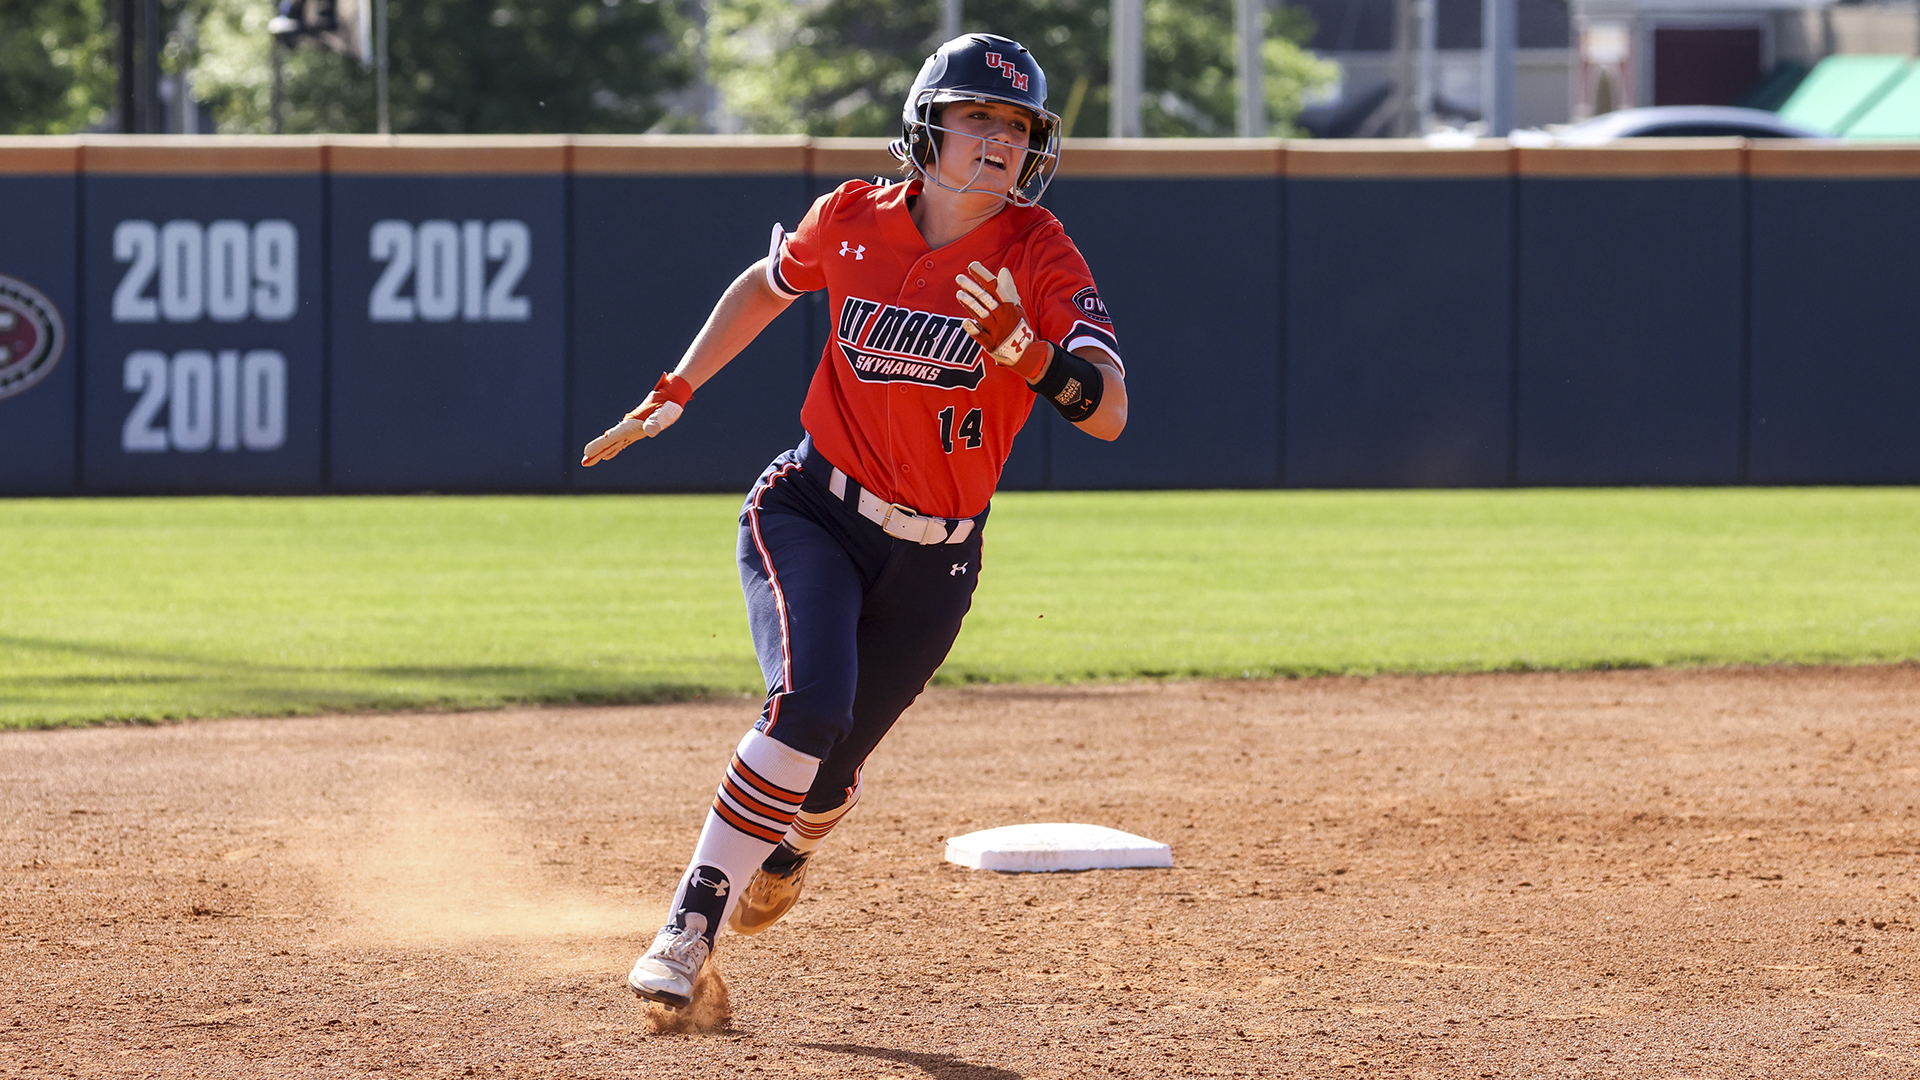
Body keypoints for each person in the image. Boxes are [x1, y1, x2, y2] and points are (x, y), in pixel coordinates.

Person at [581, 32, 1128, 1010]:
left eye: (1018, 126)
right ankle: (687, 924)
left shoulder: (1038, 254)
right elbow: (768, 283)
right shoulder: (853, 217)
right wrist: (678, 389)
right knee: (807, 708)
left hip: (938, 567)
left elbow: (1111, 412)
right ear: (928, 125)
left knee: (828, 778)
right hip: (813, 514)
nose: (1000, 140)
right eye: (978, 117)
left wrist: (1028, 354)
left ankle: (793, 841)